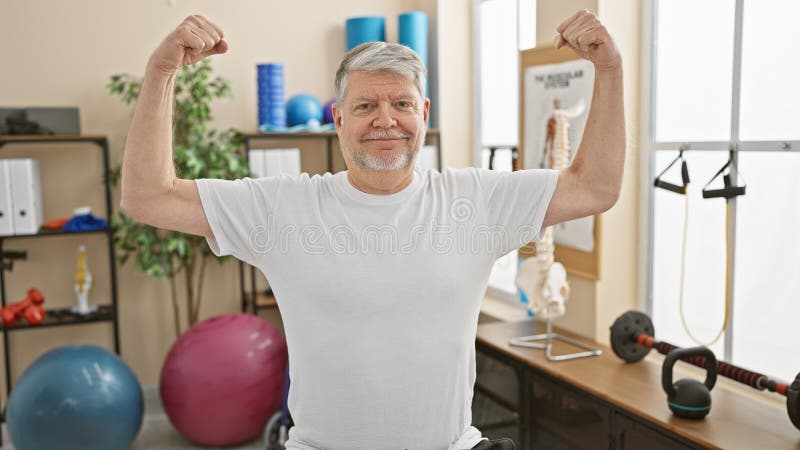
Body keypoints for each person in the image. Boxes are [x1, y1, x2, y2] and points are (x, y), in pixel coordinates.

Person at [120, 9, 624, 450]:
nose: (386, 120)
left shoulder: (478, 200)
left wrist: (610, 68)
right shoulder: (283, 207)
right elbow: (149, 196)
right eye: (365, 106)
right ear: (338, 119)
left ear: (423, 114)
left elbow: (594, 188)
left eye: (402, 104)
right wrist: (161, 71)